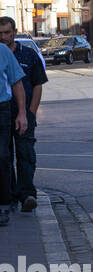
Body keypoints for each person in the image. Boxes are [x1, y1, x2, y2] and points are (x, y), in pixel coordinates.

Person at [0, 17, 45, 213]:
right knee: (4, 156)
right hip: (4, 114)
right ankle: (8, 196)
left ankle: (27, 194)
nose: (3, 37)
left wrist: (31, 112)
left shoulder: (28, 55)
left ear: (15, 32)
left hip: (24, 113)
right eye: (0, 33)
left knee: (25, 154)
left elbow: (37, 85)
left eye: (7, 32)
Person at [0, 28, 28, 226]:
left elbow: (17, 83)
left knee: (2, 156)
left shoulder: (2, 51)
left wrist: (22, 113)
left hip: (1, 111)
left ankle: (3, 205)